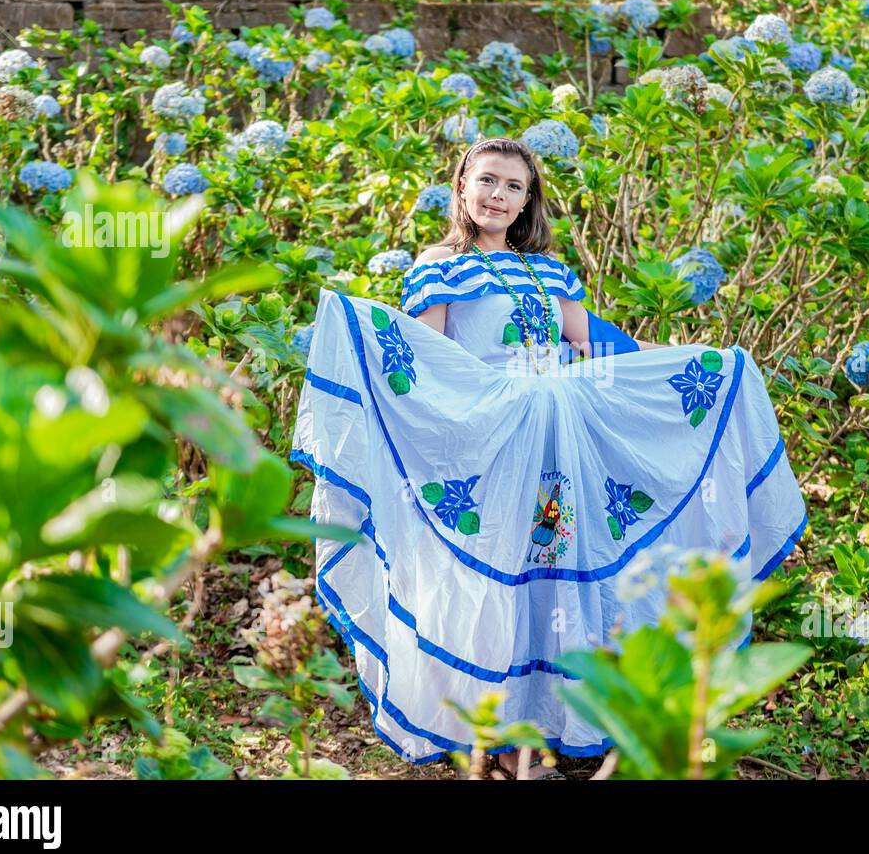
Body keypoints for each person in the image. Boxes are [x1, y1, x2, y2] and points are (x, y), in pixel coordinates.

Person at [291, 137, 807, 779]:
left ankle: (553, 728)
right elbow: (429, 366)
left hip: (561, 445)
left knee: (552, 580)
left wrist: (682, 365)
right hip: (493, 444)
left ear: (527, 199)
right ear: (461, 187)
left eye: (512, 186)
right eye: (486, 181)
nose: (497, 195)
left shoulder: (549, 271)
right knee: (499, 575)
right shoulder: (439, 265)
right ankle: (502, 744)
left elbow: (594, 345)